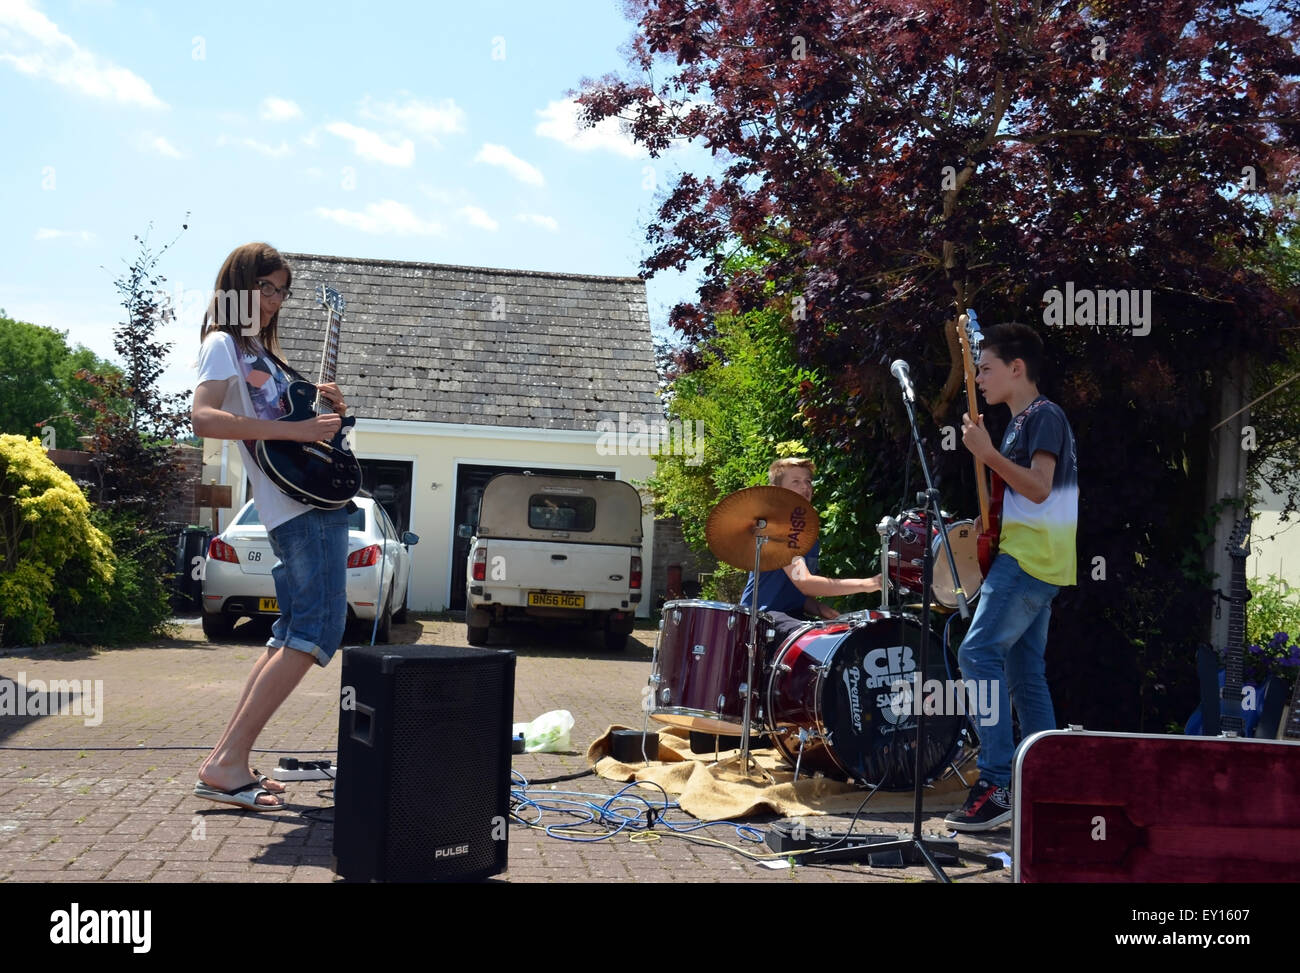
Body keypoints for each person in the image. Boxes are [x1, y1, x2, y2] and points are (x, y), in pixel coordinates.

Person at [190, 242, 350, 811]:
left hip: (307, 505)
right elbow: (204, 416)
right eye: (265, 287)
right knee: (315, 632)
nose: (274, 300)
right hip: (295, 510)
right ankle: (227, 761)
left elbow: (285, 424)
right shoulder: (222, 344)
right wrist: (299, 433)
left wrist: (322, 411)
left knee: (290, 634)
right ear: (236, 287)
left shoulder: (263, 353)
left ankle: (226, 761)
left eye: (282, 290)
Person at [945, 322, 1077, 831]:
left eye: (986, 368)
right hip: (1037, 559)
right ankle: (1045, 784)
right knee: (1025, 675)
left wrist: (988, 455)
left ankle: (998, 781)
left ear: (1016, 369)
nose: (978, 378)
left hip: (1027, 562)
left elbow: (1041, 488)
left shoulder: (1043, 416)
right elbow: (1024, 494)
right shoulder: (1023, 421)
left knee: (976, 653)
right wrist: (991, 516)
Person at [740, 458, 881, 645]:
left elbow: (799, 594)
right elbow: (806, 583)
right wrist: (868, 584)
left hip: (790, 617)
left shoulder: (808, 537)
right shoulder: (775, 530)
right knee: (815, 642)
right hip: (761, 618)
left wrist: (824, 611)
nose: (805, 487)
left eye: (808, 481)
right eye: (796, 482)